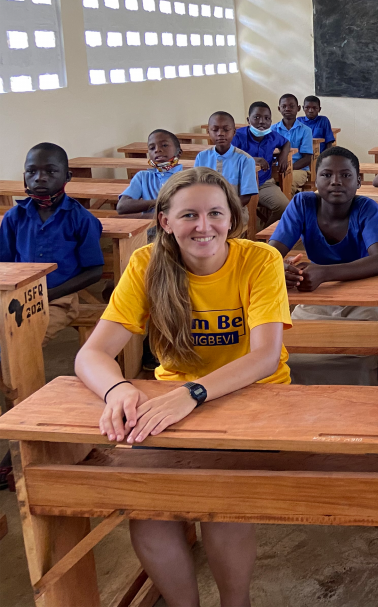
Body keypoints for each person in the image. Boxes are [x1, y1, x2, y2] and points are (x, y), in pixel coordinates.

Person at [74, 167, 291, 607]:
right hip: (172, 405)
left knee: (221, 506)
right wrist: (117, 390)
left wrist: (192, 394)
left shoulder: (259, 260)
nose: (204, 226)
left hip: (255, 398)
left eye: (215, 213)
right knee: (150, 514)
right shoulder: (146, 264)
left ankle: (236, 602)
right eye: (188, 215)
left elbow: (265, 356)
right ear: (165, 222)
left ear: (232, 218)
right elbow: (90, 355)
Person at [269, 146, 378, 385]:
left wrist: (324, 273)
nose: (336, 181)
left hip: (364, 293)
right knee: (295, 352)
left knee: (364, 355)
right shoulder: (302, 204)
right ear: (316, 180)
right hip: (315, 293)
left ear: (358, 181)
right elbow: (272, 254)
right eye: (326, 175)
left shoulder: (366, 208)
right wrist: (281, 269)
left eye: (346, 175)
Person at [0, 142, 103, 342]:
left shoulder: (81, 218)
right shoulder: (14, 217)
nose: (40, 177)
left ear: (67, 177)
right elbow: (4, 261)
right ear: (24, 177)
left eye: (50, 171)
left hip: (59, 299)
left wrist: (47, 295)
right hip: (16, 295)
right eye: (31, 171)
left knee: (23, 339)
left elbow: (94, 271)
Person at [231, 101, 291, 224]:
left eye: (266, 118)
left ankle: (264, 235)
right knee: (233, 210)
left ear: (270, 121)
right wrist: (252, 159)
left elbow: (286, 143)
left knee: (284, 206)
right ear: (248, 120)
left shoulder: (273, 136)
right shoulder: (238, 136)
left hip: (263, 183)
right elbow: (229, 156)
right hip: (239, 185)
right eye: (256, 117)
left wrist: (283, 156)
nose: (262, 121)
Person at [194, 112, 258, 211]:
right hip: (205, 210)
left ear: (234, 132)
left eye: (226, 129)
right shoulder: (201, 157)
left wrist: (223, 211)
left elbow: (245, 197)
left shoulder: (245, 160)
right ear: (208, 132)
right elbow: (196, 188)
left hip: (234, 211)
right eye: (215, 130)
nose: (220, 133)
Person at [116, 130, 184, 215]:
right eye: (152, 148)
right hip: (151, 226)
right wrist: (159, 203)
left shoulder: (188, 176)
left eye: (164, 145)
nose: (157, 150)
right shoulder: (143, 177)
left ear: (179, 152)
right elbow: (122, 207)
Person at [271, 93, 315, 195]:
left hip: (298, 169)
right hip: (276, 169)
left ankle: (286, 210)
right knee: (263, 186)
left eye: (291, 106)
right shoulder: (273, 129)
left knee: (287, 184)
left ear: (298, 108)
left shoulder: (305, 130)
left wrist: (289, 169)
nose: (287, 109)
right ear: (279, 108)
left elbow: (307, 158)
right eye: (284, 106)